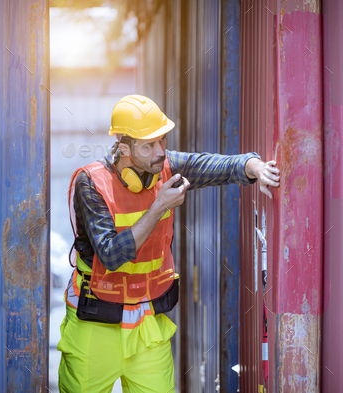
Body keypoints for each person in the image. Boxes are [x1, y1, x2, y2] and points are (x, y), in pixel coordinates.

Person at [57, 94, 280, 392]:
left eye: (161, 141)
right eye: (148, 146)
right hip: (94, 323)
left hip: (148, 326)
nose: (160, 151)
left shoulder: (164, 166)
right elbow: (110, 255)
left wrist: (254, 167)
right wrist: (160, 206)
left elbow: (211, 166)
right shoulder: (91, 184)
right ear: (123, 148)